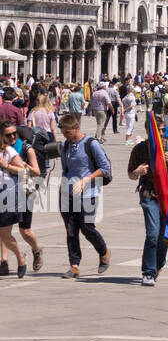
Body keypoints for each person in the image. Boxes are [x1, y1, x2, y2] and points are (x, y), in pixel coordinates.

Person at [127, 124, 168, 286]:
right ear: (148, 131)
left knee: (163, 235)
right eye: (155, 130)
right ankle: (148, 271)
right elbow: (130, 174)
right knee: (153, 232)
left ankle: (158, 264)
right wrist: (137, 172)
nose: (159, 133)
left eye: (161, 129)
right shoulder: (140, 149)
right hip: (148, 194)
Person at [56, 113, 111, 279]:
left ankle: (104, 251)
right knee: (71, 231)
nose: (65, 136)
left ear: (76, 128)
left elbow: (105, 168)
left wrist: (86, 180)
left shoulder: (91, 144)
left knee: (87, 228)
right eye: (63, 133)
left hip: (88, 193)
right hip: (68, 194)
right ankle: (74, 265)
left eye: (67, 132)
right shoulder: (66, 146)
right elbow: (66, 169)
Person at [0, 122, 28, 277]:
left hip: (6, 193)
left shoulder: (8, 151)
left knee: (4, 234)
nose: (11, 137)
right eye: (8, 135)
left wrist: (6, 166)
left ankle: (20, 257)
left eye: (13, 134)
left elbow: (23, 170)